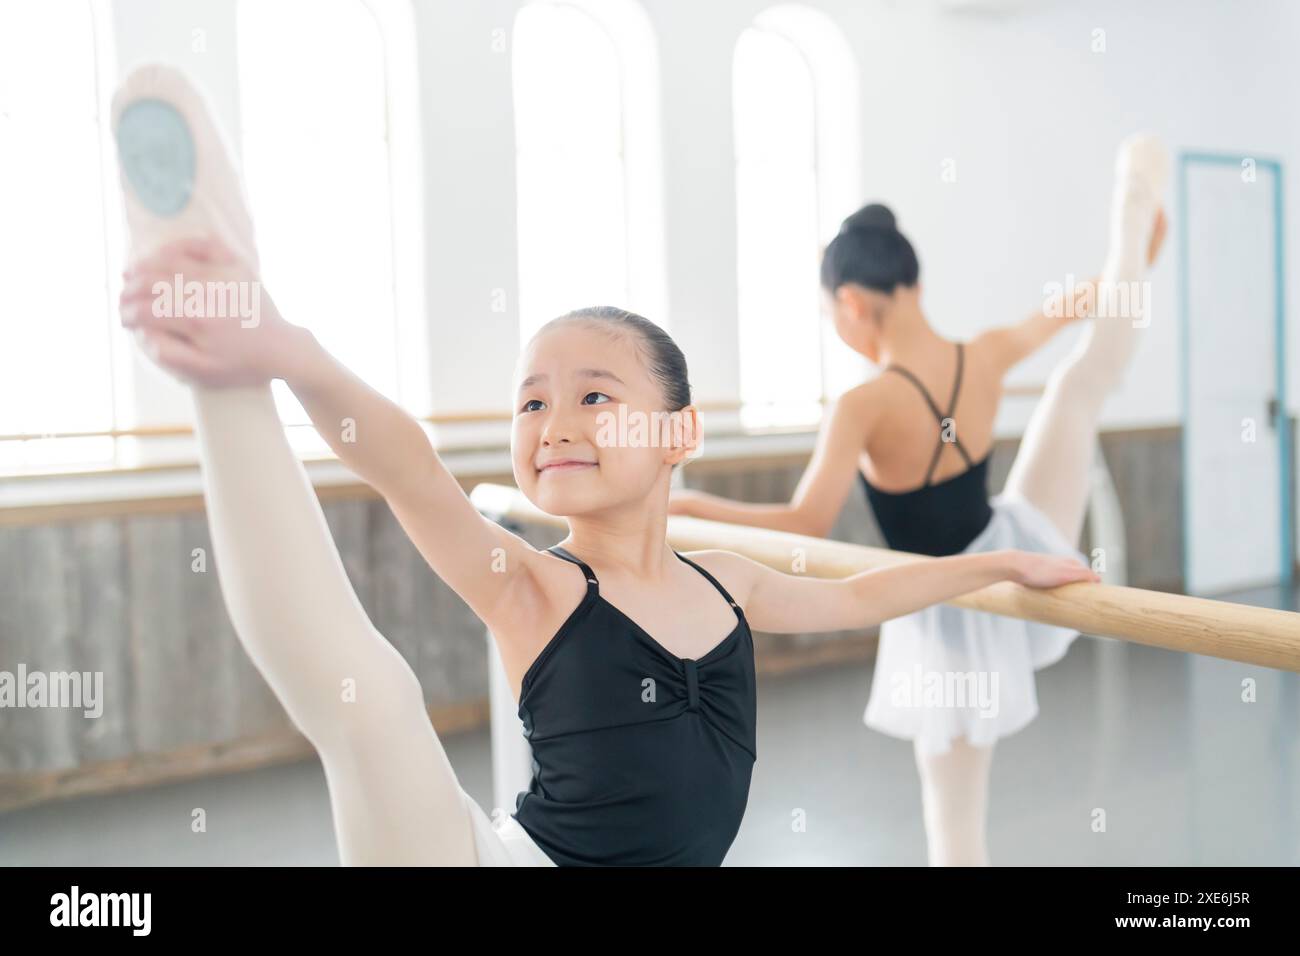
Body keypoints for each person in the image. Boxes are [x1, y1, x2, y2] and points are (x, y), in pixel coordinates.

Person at [114, 65, 1101, 867]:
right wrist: (291, 356)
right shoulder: (533, 587)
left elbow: (865, 593)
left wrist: (999, 565)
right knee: (368, 699)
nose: (553, 421)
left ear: (677, 433)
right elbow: (409, 470)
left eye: (594, 394)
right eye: (530, 400)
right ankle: (222, 338)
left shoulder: (729, 579)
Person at [670, 134, 1169, 865]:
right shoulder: (987, 352)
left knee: (955, 820)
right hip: (1015, 541)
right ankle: (1130, 207)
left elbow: (804, 523)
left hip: (947, 605)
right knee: (1080, 383)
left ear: (851, 306)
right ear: (915, 287)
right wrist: (1135, 258)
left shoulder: (865, 404)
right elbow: (1088, 301)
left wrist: (694, 506)